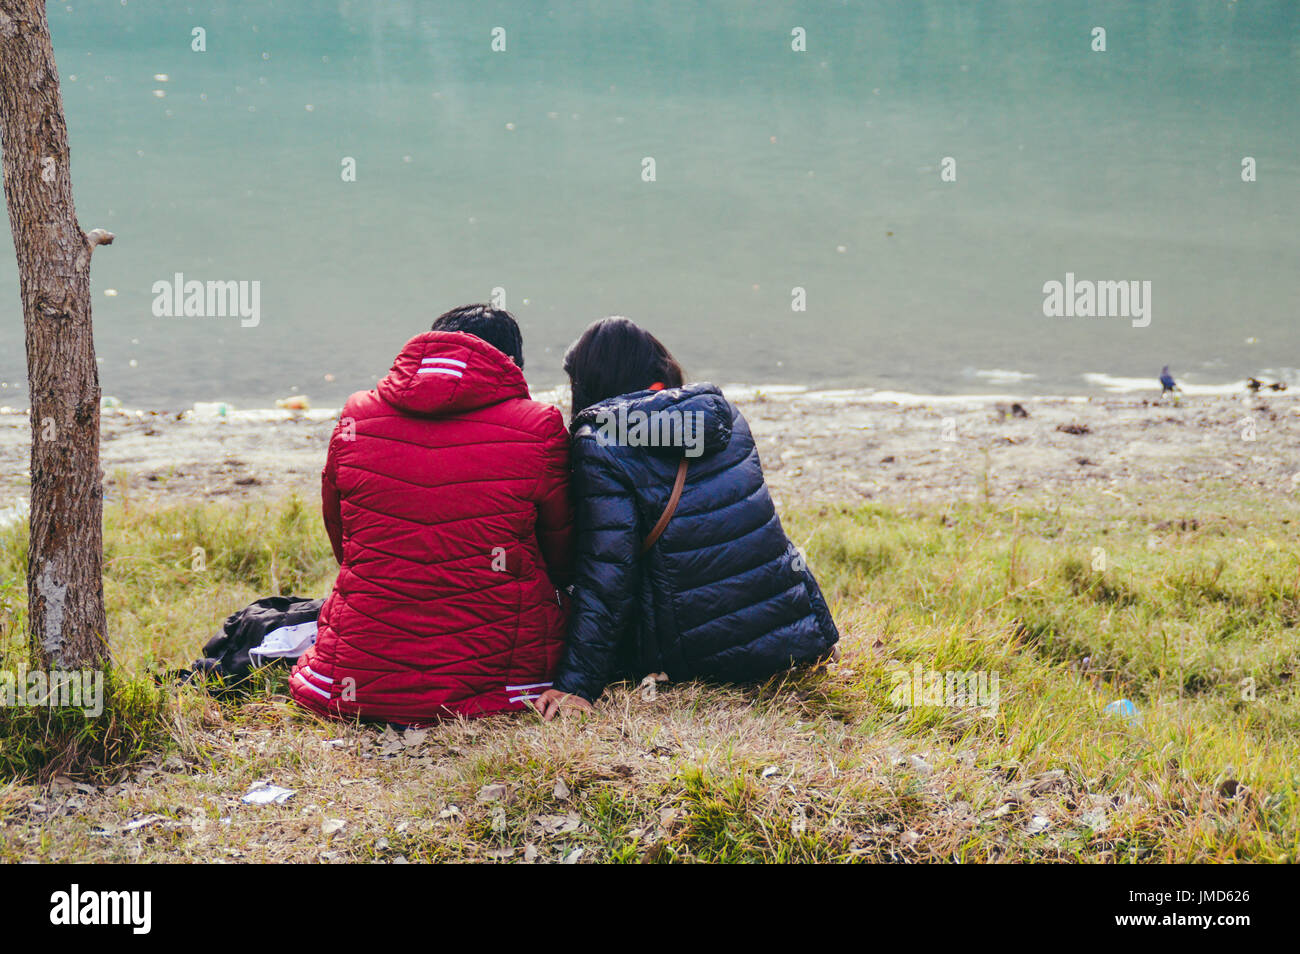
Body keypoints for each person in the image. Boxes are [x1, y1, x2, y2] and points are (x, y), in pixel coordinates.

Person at [534, 317, 839, 719]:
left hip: (697, 649)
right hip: (787, 631)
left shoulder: (600, 442)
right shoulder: (724, 416)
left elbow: (608, 575)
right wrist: (817, 630)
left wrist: (577, 685)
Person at [290, 305, 573, 723]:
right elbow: (561, 555)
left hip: (353, 678)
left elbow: (343, 539)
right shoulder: (539, 426)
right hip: (502, 680)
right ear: (511, 363)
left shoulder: (356, 415)